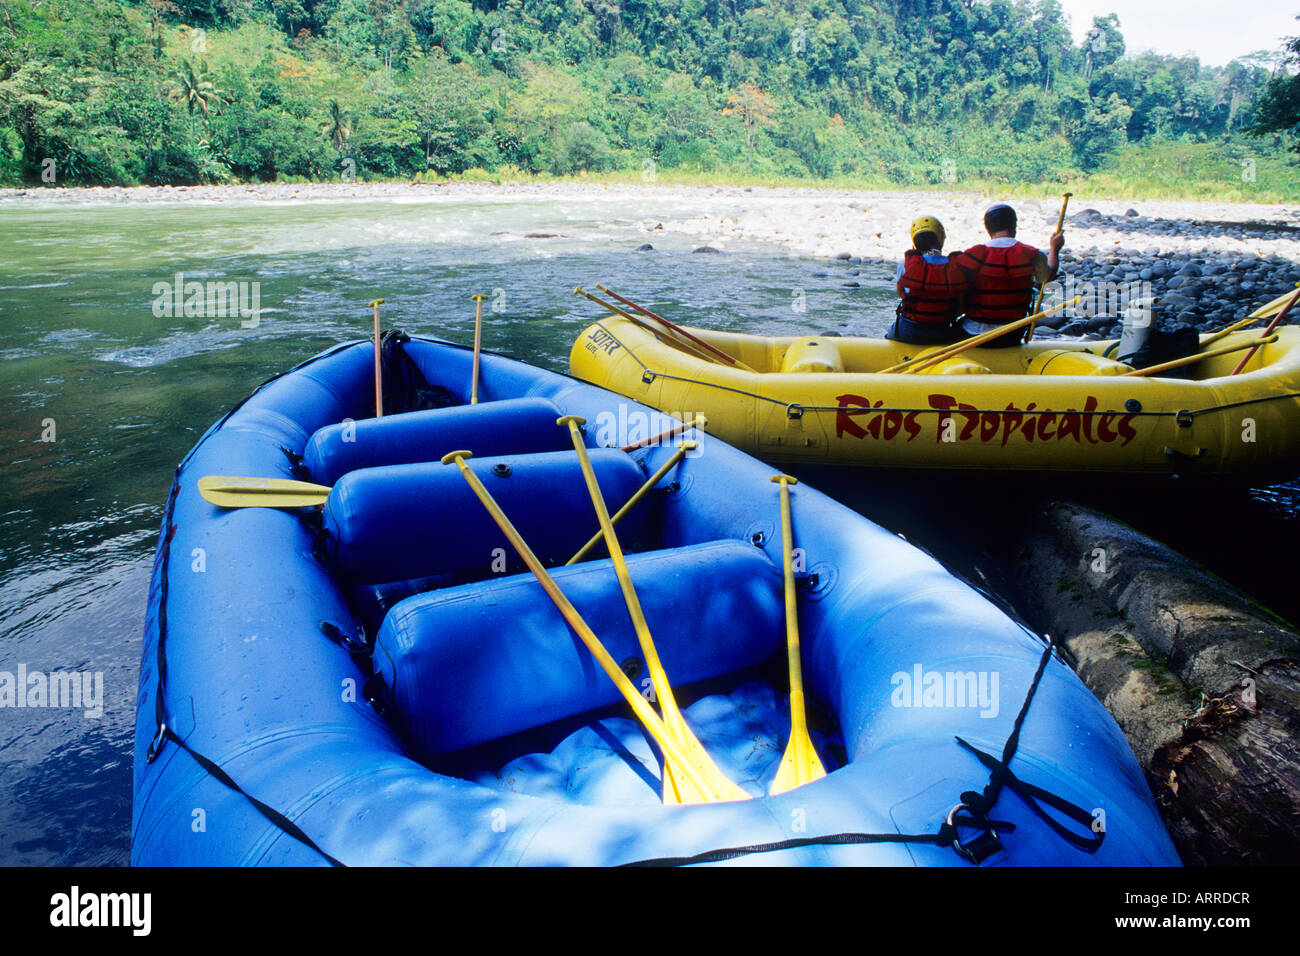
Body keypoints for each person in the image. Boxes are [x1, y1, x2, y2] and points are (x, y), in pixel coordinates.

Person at [951, 203, 1065, 347]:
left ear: (987, 229)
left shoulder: (971, 256)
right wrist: (1054, 249)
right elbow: (1047, 278)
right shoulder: (1033, 255)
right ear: (1014, 226)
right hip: (1012, 334)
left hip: (973, 335)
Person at [888, 215, 972, 346]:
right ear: (941, 238)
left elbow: (901, 293)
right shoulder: (955, 267)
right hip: (941, 330)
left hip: (909, 330)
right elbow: (961, 305)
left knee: (890, 334)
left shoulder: (905, 263)